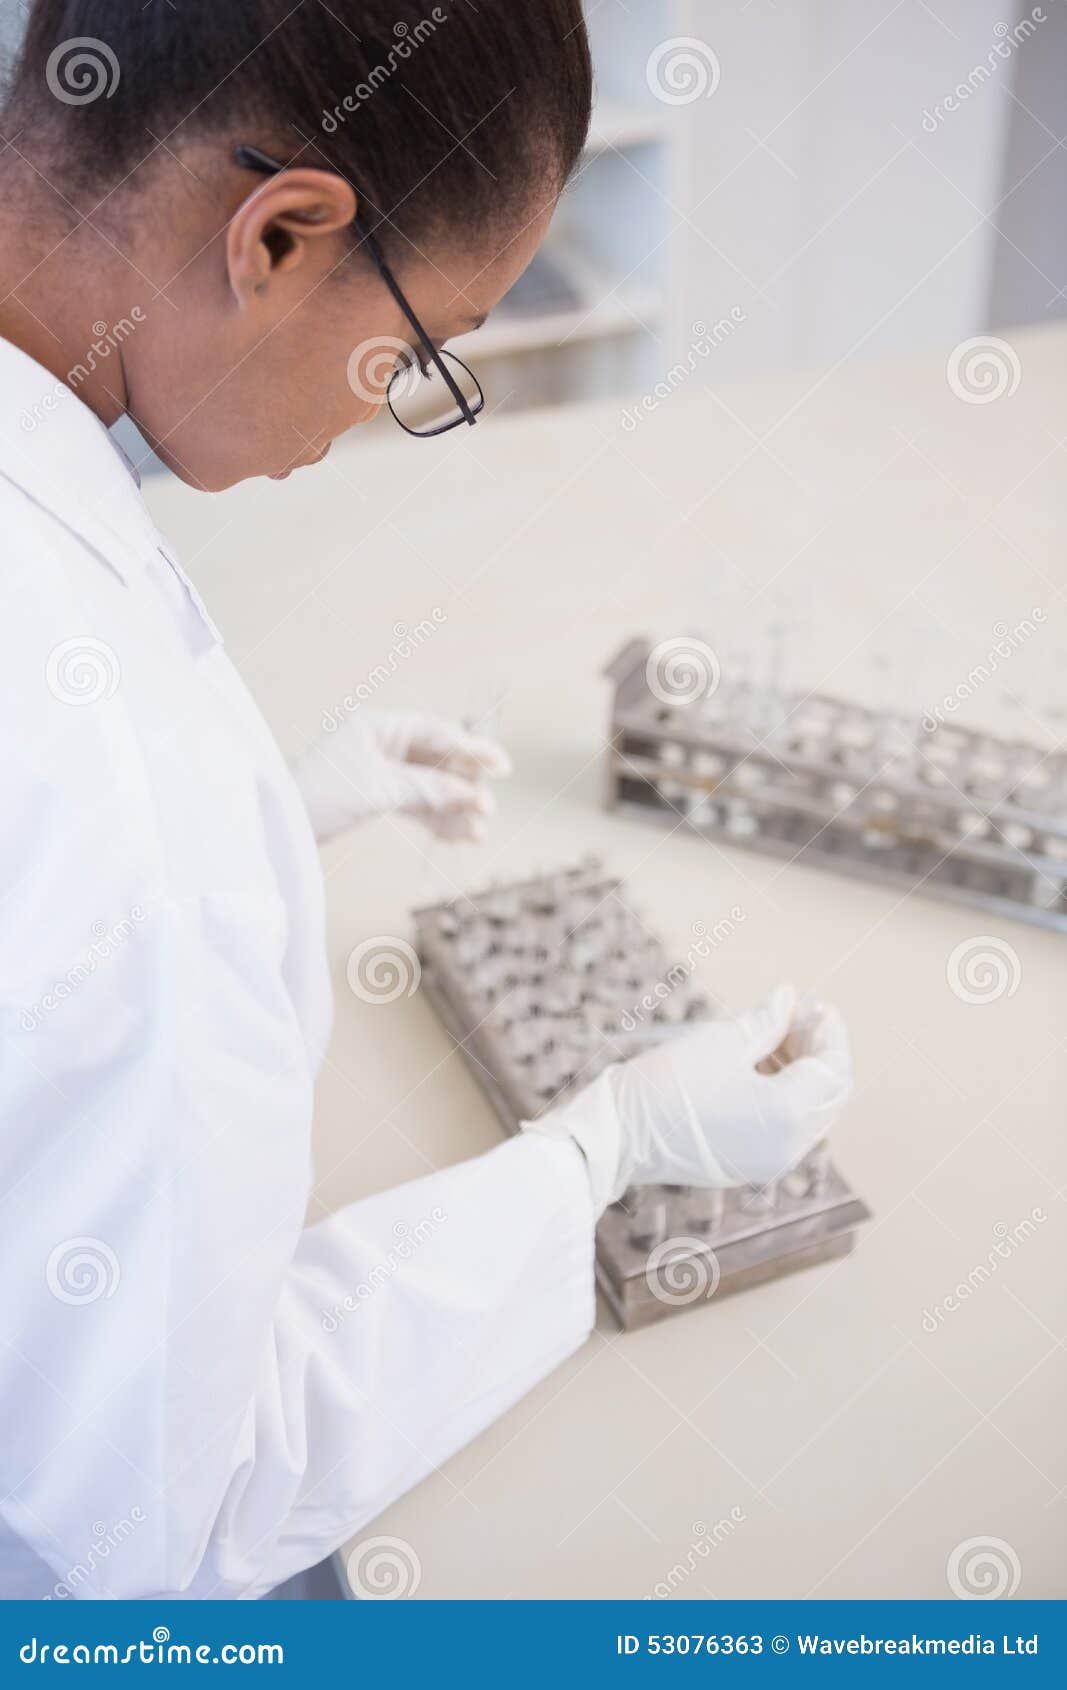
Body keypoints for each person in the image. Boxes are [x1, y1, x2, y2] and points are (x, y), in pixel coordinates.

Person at [0, 1, 852, 1599]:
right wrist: (603, 1154)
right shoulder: (126, 805)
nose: (381, 411)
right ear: (283, 235)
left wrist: (267, 824)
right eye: (425, 351)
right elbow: (172, 1524)